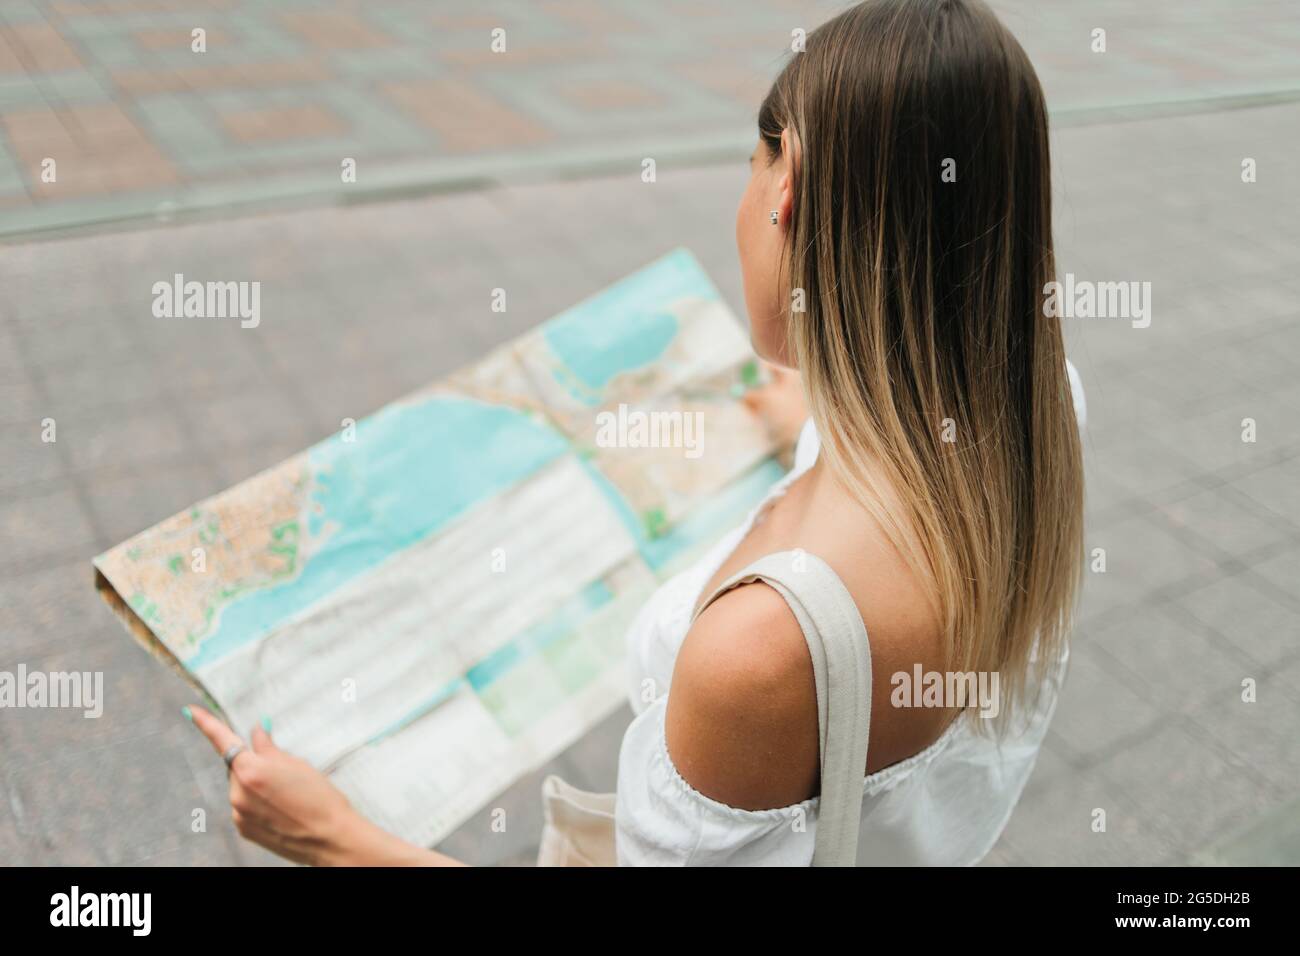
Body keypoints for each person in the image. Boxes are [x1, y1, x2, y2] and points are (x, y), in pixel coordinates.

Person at [187, 0, 1085, 866]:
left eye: (750, 159)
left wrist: (334, 841)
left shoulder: (761, 655)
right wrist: (811, 422)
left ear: (789, 186)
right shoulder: (1037, 422)